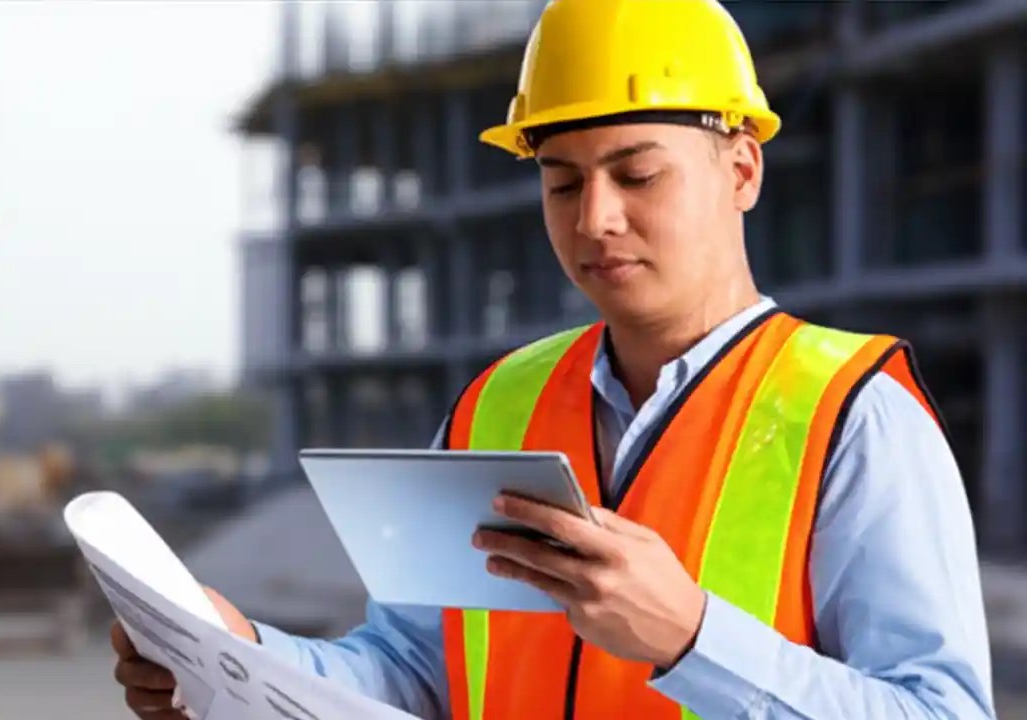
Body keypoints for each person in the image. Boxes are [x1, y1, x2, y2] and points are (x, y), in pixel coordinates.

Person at [111, 0, 997, 717]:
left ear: (741, 172)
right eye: (562, 180)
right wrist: (237, 659)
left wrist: (691, 639)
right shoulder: (496, 405)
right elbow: (417, 675)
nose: (593, 220)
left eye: (637, 174)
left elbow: (940, 712)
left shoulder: (852, 414)